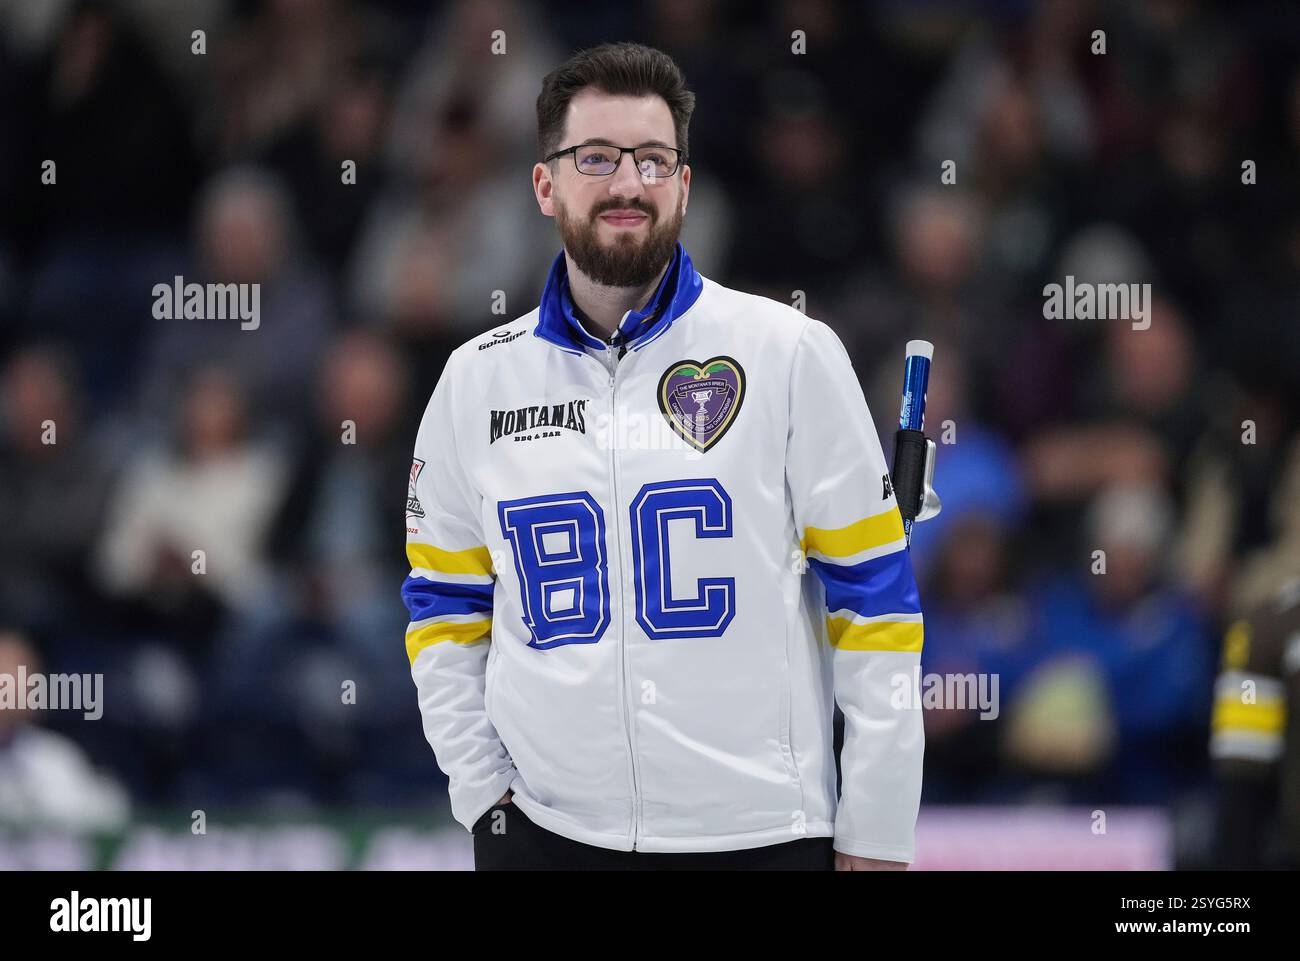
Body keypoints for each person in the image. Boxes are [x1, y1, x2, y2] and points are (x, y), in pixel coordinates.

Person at [400, 42, 924, 871]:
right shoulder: (474, 383)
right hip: (546, 837)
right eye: (597, 158)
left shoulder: (789, 353)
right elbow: (443, 610)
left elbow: (877, 606)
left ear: (684, 184)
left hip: (764, 838)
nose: (627, 184)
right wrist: (482, 797)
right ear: (545, 185)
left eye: (654, 159)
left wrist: (880, 829)